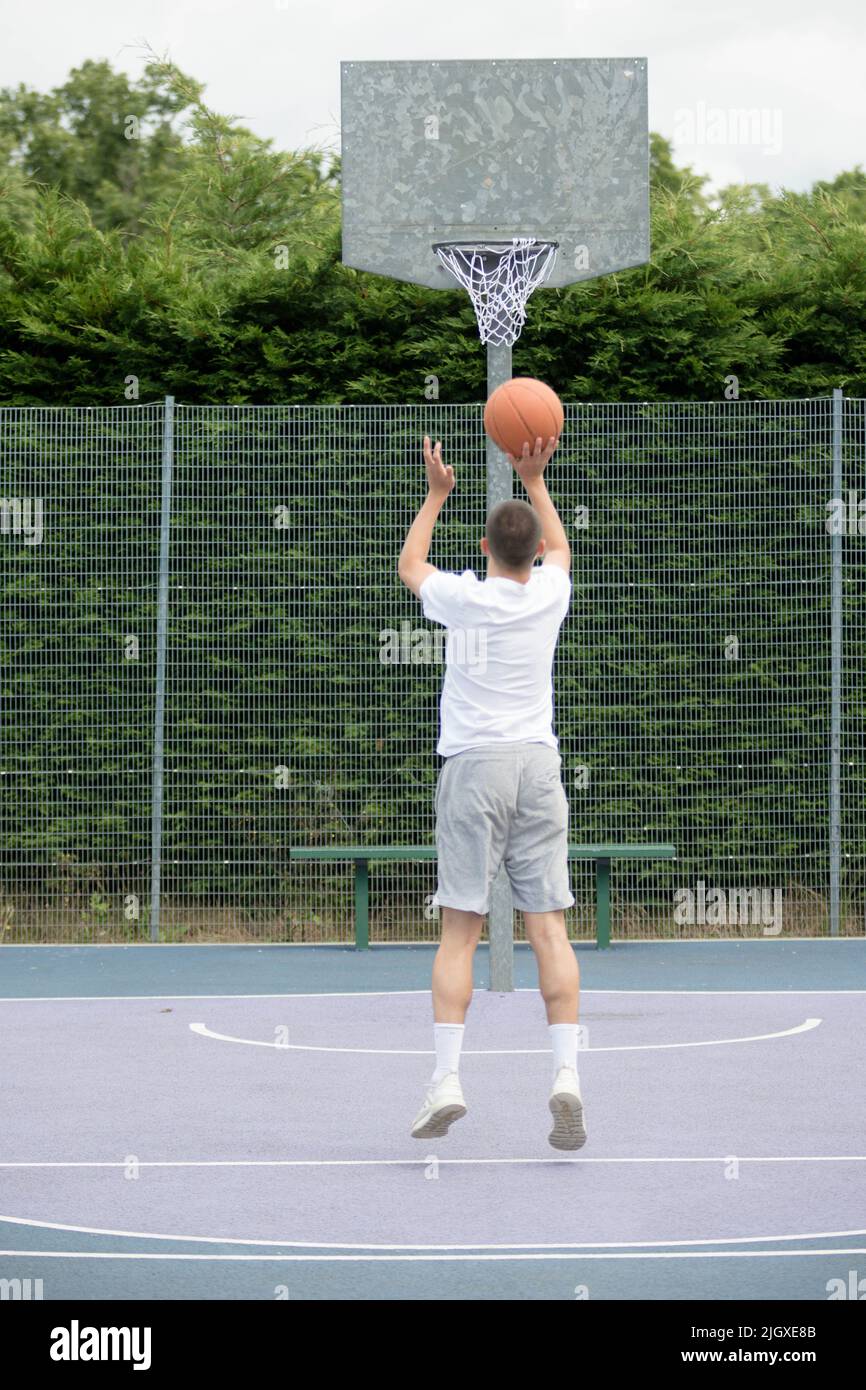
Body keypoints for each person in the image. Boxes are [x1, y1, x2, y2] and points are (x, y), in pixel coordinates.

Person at [397, 433, 585, 1151]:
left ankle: (446, 1080)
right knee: (549, 929)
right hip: (537, 766)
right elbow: (562, 553)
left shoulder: (463, 599)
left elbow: (410, 564)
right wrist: (535, 479)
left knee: (460, 929)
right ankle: (566, 1073)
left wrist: (438, 491)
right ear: (533, 551)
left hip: (473, 766)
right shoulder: (551, 591)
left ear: (484, 548)